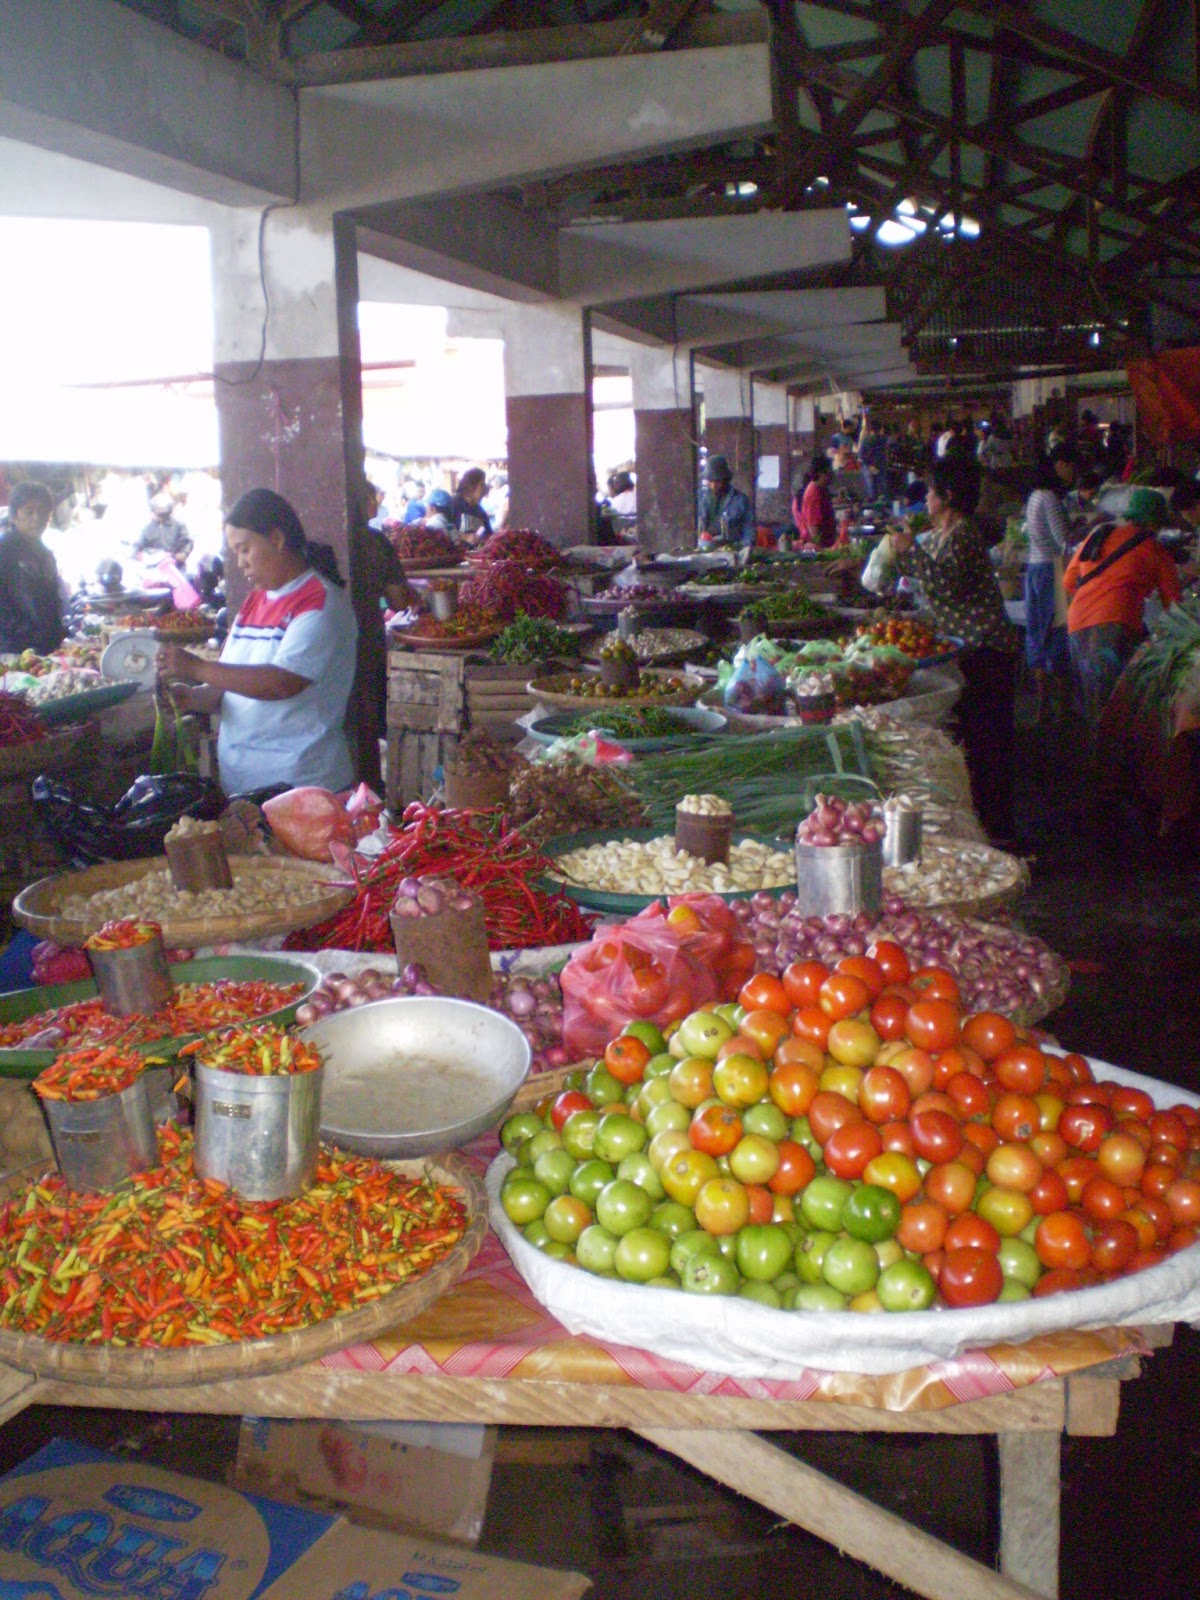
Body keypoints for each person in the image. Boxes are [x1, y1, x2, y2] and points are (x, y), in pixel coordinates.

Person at [158, 488, 358, 797]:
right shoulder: (256, 601)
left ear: (277, 539)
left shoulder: (320, 602)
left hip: (303, 788)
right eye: (236, 552)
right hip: (244, 788)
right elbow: (229, 686)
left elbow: (280, 682)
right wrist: (191, 697)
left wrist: (196, 667)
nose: (240, 563)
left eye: (245, 549)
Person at [889, 458, 1017, 845]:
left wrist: (910, 552)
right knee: (978, 743)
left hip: (986, 650)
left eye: (930, 492)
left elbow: (949, 585)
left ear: (947, 497)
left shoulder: (962, 533)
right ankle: (987, 826)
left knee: (987, 745)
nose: (925, 498)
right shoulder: (944, 533)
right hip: (968, 650)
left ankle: (998, 833)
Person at [1063, 488, 1181, 727]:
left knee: (1091, 700)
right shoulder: (1155, 549)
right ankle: (1109, 760)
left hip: (1077, 622)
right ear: (1152, 522)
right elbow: (1175, 608)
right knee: (1114, 705)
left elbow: (1068, 581)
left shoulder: (1100, 535)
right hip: (1115, 627)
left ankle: (1090, 755)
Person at [1023, 443, 1079, 721]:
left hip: (1034, 569)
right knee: (1058, 635)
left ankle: (1042, 707)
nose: (1073, 473)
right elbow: (1064, 541)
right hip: (1051, 570)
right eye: (1071, 466)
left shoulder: (1034, 496)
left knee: (1037, 636)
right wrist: (1087, 528)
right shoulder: (1049, 498)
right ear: (1059, 465)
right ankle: (1063, 709)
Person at [0, 480, 66, 656]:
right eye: (29, 512)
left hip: (46, 648)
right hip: (15, 651)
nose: (37, 518)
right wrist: (28, 634)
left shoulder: (44, 552)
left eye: (43, 511)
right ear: (14, 516)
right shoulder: (4, 551)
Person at [697, 455, 753, 548]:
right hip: (703, 548)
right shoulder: (699, 498)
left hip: (731, 549)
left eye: (718, 481)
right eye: (710, 481)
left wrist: (744, 550)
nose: (714, 485)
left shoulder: (741, 500)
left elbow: (749, 531)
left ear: (726, 480)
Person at [791, 456, 837, 549]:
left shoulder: (820, 490)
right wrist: (823, 549)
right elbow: (813, 526)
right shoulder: (813, 493)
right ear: (821, 473)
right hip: (818, 545)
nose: (831, 475)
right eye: (829, 472)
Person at [135, 491, 192, 563]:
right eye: (157, 508)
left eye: (162, 508)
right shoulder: (149, 527)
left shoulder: (179, 526)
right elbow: (140, 544)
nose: (160, 510)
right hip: (151, 564)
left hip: (172, 564)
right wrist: (137, 552)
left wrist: (183, 553)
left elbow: (187, 543)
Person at [447, 467, 493, 542]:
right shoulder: (453, 503)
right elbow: (442, 530)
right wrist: (463, 537)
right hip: (456, 552)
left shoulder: (480, 511)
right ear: (471, 485)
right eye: (482, 485)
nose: (484, 488)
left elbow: (489, 534)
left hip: (478, 552)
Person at [857, 416, 889, 503]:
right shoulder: (884, 439)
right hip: (881, 466)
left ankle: (872, 506)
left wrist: (869, 465)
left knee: (871, 491)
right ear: (880, 428)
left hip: (869, 466)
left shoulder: (866, 440)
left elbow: (861, 455)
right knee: (883, 491)